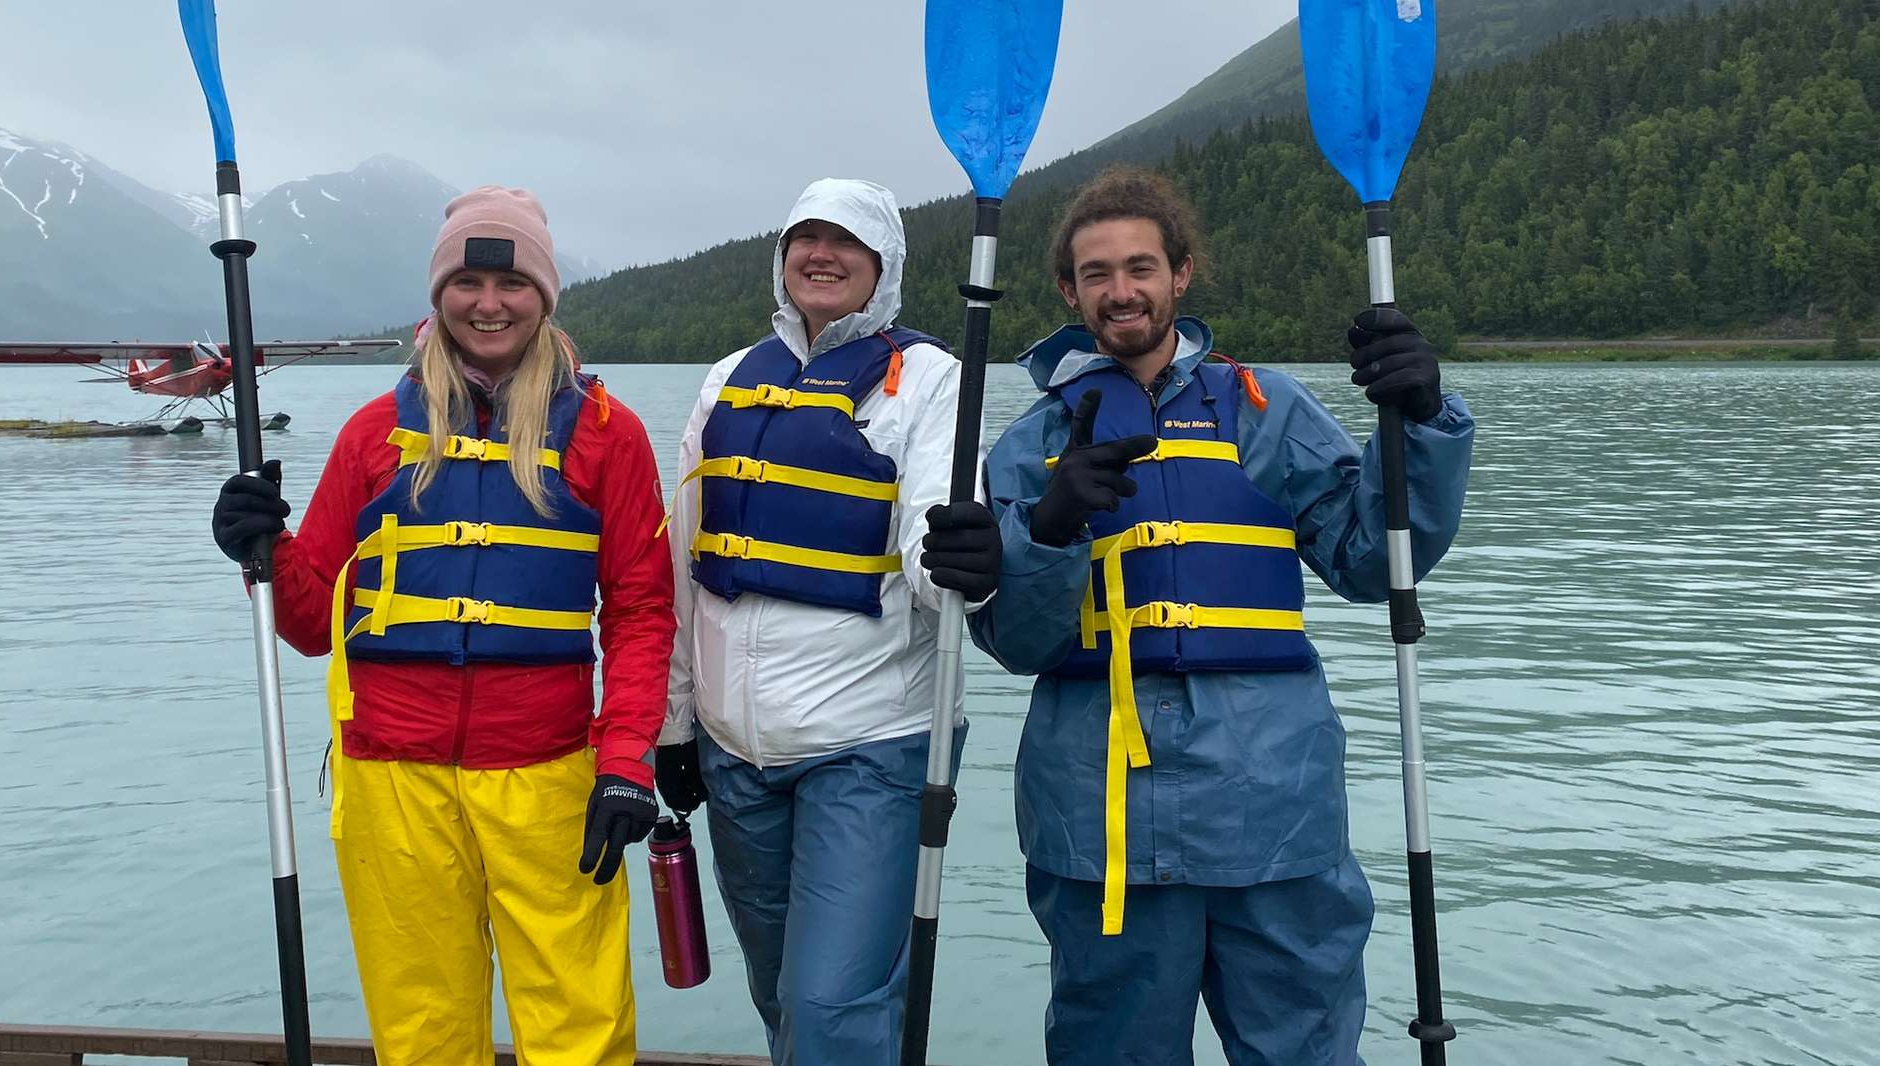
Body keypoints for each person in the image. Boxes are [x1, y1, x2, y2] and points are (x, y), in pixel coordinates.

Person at [970, 165, 1475, 1065]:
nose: (1121, 291)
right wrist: (1049, 531)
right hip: (1101, 821)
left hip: (1271, 810)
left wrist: (1424, 421)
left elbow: (1373, 562)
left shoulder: (1268, 409)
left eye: (1140, 267)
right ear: (1068, 290)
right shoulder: (1032, 444)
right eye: (1097, 274)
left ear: (1181, 274)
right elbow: (1017, 641)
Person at [208, 186, 675, 1066]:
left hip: (546, 778)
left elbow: (645, 614)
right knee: (421, 1035)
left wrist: (624, 765)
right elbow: (312, 624)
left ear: (543, 296)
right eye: (467, 282)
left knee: (579, 1031)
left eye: (513, 285)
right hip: (392, 781)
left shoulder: (607, 438)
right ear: (439, 295)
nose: (489, 304)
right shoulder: (373, 435)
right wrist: (256, 548)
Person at [651, 177, 1002, 1065]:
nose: (821, 253)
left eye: (845, 239)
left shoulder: (931, 379)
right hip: (736, 754)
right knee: (781, 995)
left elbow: (936, 525)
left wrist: (960, 563)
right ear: (781, 259)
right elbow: (685, 565)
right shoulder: (728, 381)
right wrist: (675, 724)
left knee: (832, 1001)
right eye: (804, 237)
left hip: (873, 743)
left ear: (882, 265)